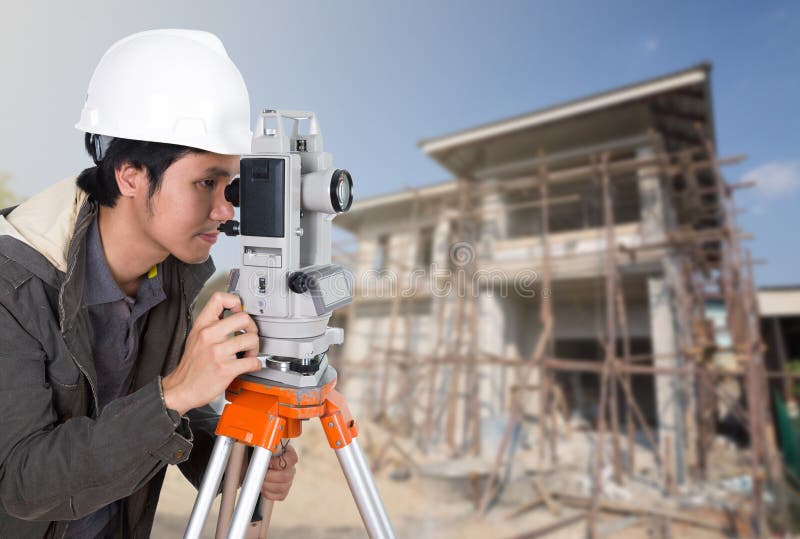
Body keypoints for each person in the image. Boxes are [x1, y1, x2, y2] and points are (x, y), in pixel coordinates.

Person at [0, 29, 297, 538]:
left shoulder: (170, 273)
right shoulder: (15, 284)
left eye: (232, 185)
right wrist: (175, 392)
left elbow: (161, 405)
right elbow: (22, 484)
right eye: (206, 182)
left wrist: (234, 461)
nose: (226, 210)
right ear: (131, 174)